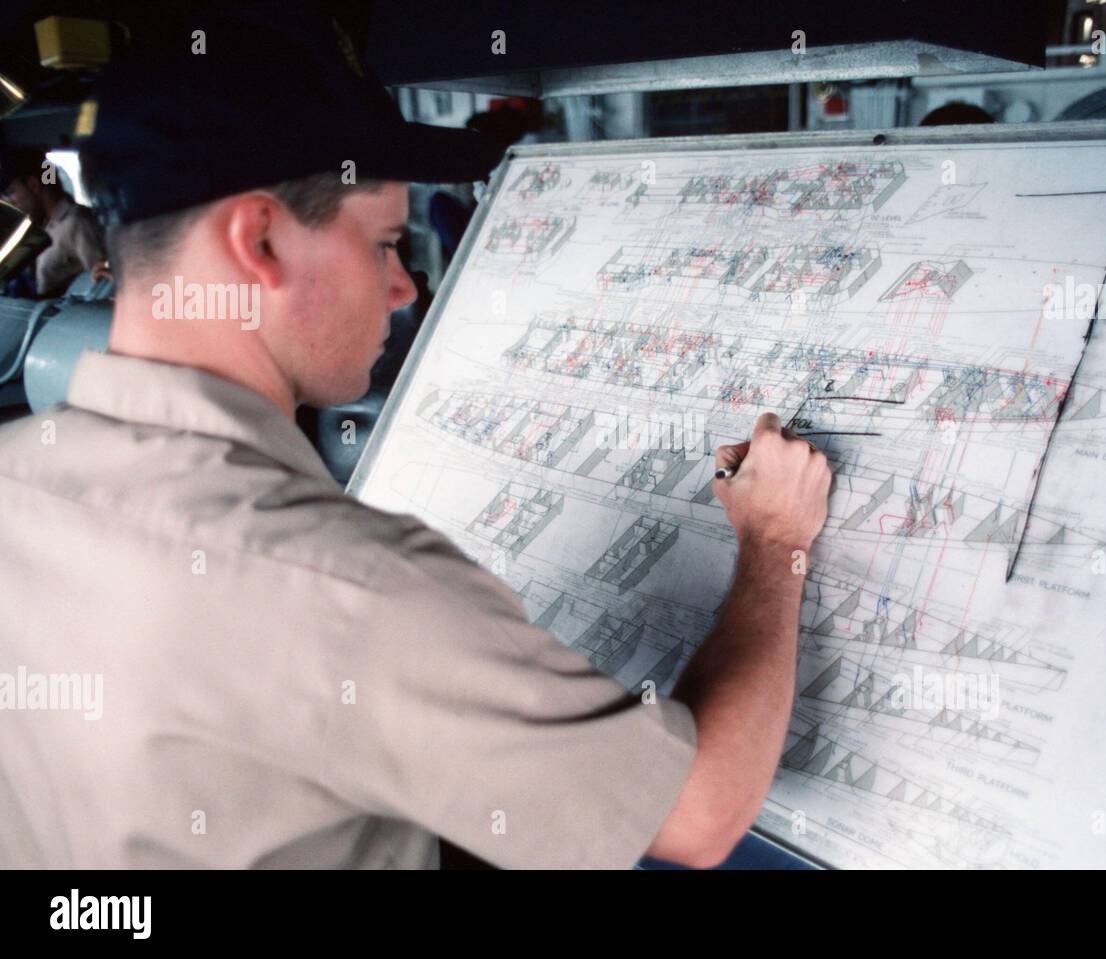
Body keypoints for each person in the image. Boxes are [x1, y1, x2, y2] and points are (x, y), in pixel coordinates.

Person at [0, 3, 832, 870]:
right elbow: (699, 814)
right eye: (385, 244)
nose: (403, 289)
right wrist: (775, 541)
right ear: (260, 240)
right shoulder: (352, 593)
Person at [0, 145, 108, 295]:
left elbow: (104, 286)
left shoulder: (77, 223)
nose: (8, 201)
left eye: (10, 192)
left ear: (33, 185)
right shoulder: (39, 226)